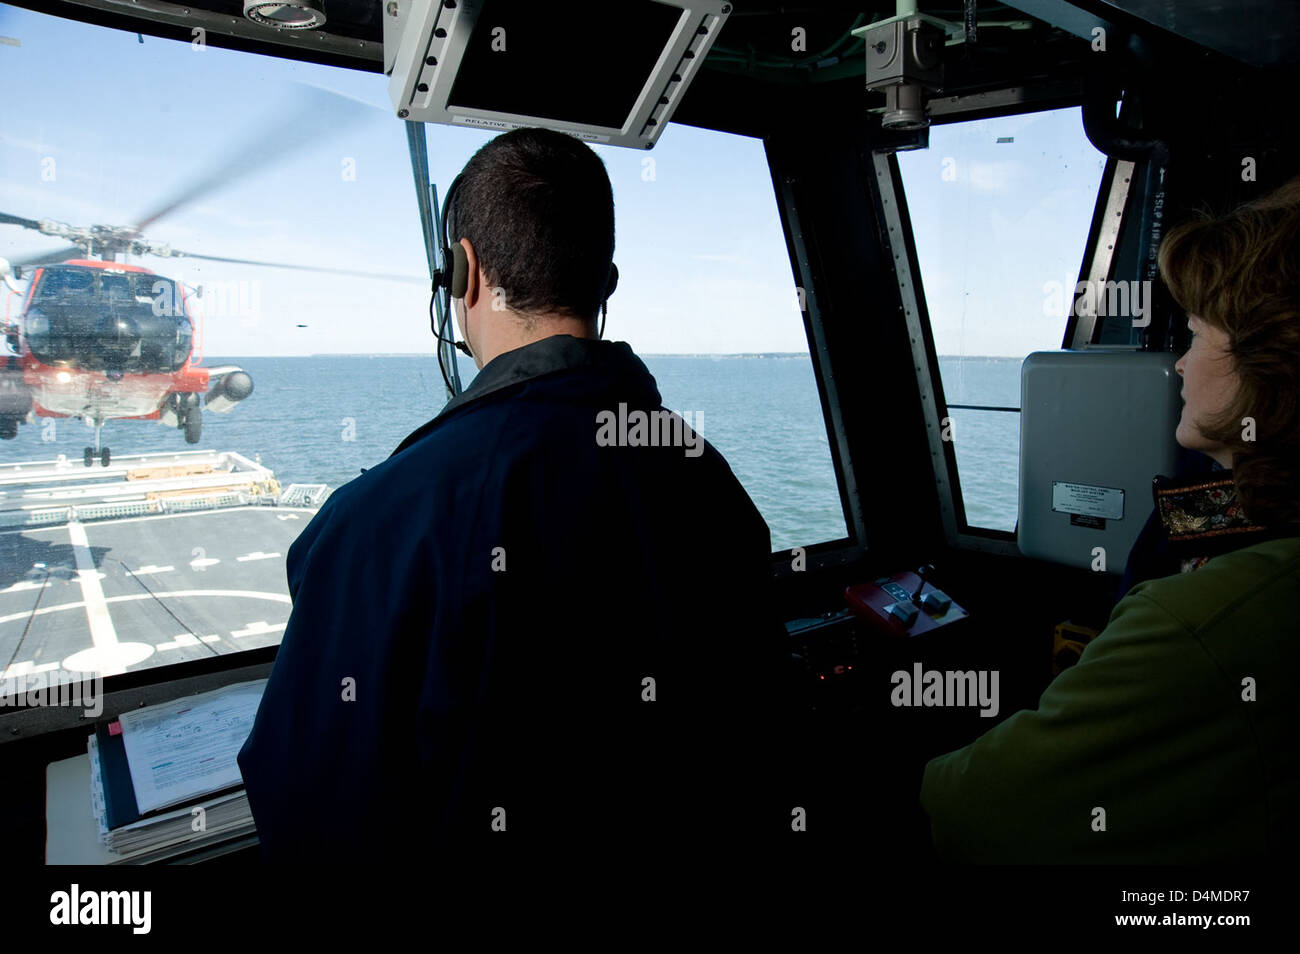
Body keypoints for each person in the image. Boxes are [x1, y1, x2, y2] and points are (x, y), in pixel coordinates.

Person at [237, 127, 795, 861]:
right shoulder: (706, 476)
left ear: (461, 273)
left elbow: (306, 809)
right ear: (607, 283)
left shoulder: (376, 521)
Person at [920, 178, 1300, 862]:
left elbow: (974, 806)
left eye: (1196, 335)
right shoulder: (1246, 536)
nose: (1178, 363)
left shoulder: (1201, 618)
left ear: (1272, 364)